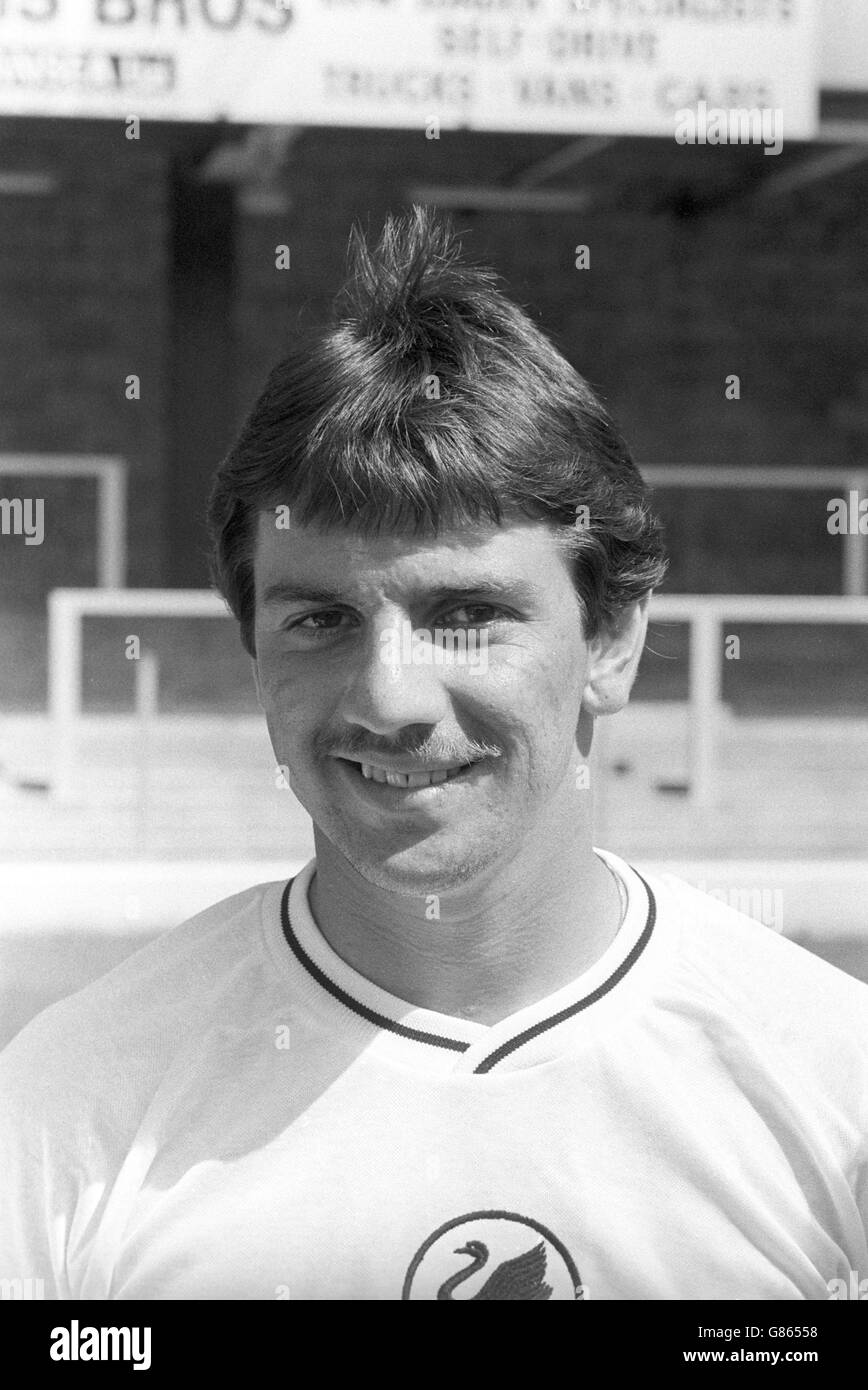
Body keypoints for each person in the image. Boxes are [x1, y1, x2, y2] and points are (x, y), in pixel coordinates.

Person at [1, 208, 865, 1301]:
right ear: (254, 648)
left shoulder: (834, 1091)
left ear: (608, 640)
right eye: (320, 618)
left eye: (466, 612)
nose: (388, 696)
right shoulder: (70, 1103)